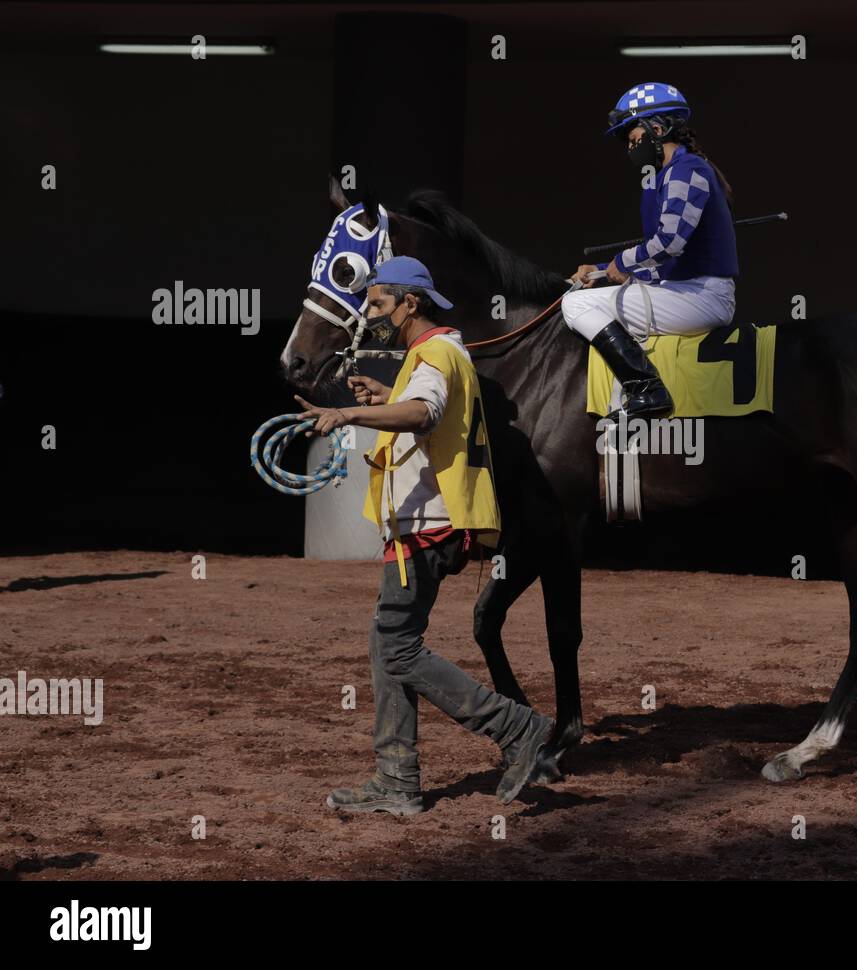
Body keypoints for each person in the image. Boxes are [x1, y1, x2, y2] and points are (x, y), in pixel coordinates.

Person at [294, 255, 553, 814]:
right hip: (425, 524)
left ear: (410, 301)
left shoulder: (434, 351)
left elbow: (425, 414)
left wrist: (349, 415)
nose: (371, 312)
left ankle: (517, 728)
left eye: (379, 302)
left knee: (397, 645)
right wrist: (386, 395)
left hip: (426, 526)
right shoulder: (434, 352)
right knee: (387, 644)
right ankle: (396, 779)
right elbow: (421, 405)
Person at [565, 82, 740, 418]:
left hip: (702, 297)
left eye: (633, 140)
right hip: (682, 289)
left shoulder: (687, 170)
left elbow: (668, 243)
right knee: (586, 296)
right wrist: (603, 272)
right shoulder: (668, 175)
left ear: (656, 130)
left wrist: (620, 262)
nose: (630, 149)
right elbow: (660, 260)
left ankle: (647, 390)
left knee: (574, 305)